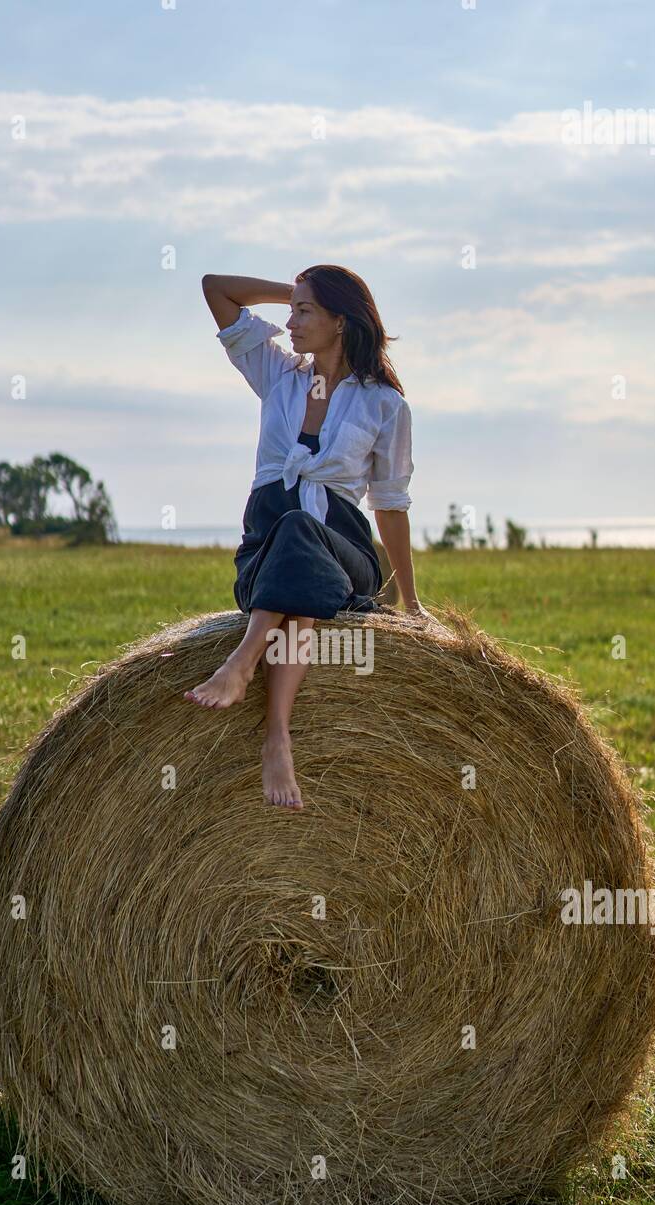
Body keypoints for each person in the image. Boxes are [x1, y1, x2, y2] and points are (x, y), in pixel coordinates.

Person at [185, 265, 429, 809]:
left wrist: (409, 600)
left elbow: (390, 506)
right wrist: (290, 292)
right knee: (293, 556)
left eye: (304, 311)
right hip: (265, 553)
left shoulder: (385, 405)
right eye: (291, 310)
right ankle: (276, 735)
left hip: (343, 555)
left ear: (340, 321)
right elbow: (213, 287)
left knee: (302, 531)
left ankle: (243, 665)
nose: (290, 322)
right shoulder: (277, 372)